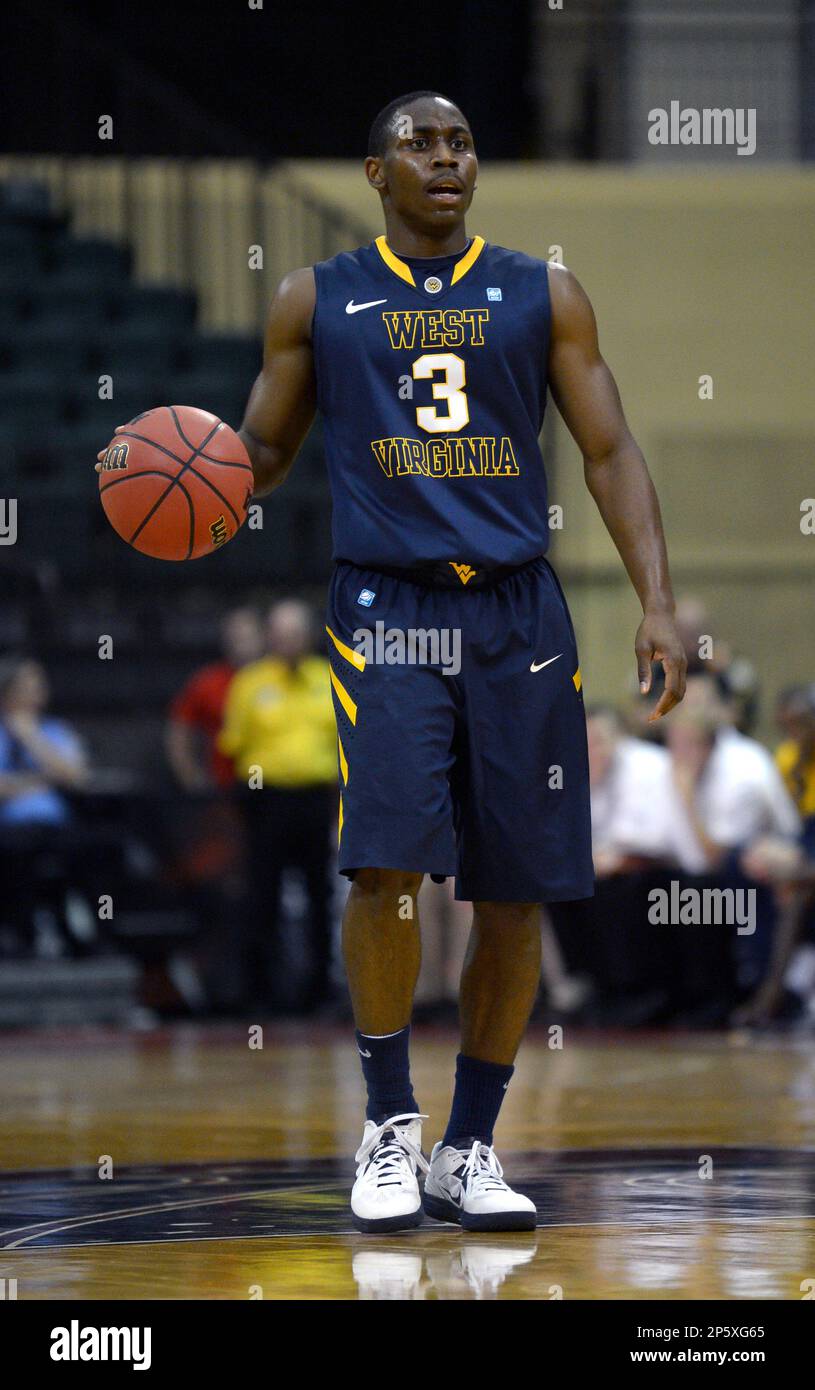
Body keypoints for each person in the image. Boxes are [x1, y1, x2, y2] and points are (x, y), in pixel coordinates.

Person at [100, 91, 688, 1232]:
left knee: (515, 893)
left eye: (461, 142)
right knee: (383, 868)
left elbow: (609, 449)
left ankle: (468, 1145)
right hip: (388, 610)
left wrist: (658, 602)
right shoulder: (314, 299)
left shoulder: (542, 292)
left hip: (519, 614)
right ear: (375, 173)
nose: (445, 158)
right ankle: (385, 1125)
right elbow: (263, 449)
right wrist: (187, 475)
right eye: (419, 144)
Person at [217, 599, 338, 1012]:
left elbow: (346, 740)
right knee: (261, 896)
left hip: (316, 801)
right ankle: (259, 993)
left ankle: (319, 992)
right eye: (280, 631)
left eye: (295, 631)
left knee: (319, 898)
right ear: (269, 636)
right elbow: (231, 745)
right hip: (265, 802)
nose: (288, 639)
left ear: (308, 635)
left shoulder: (328, 678)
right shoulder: (249, 683)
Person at [165, 607, 264, 791]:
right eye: (235, 638)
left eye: (248, 638)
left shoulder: (282, 680)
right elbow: (179, 732)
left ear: (263, 638)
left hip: (272, 790)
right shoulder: (207, 682)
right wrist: (193, 779)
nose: (241, 645)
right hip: (221, 788)